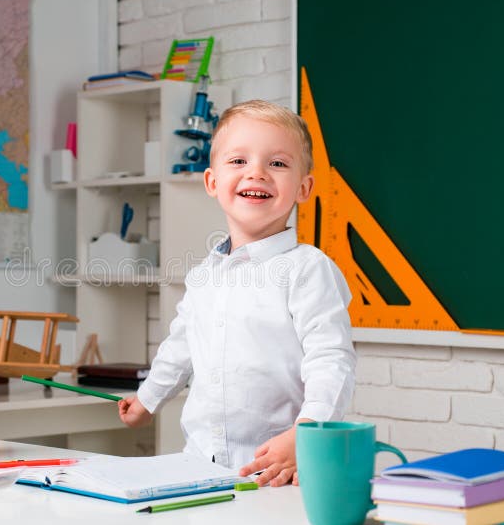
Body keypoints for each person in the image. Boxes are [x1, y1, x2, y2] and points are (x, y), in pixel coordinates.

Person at [118, 100, 356, 487]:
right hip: (200, 463)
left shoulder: (308, 269)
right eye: (239, 161)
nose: (256, 172)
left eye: (277, 163)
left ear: (304, 187)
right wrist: (147, 400)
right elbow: (179, 349)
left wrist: (308, 434)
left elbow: (331, 361)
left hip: (279, 471)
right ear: (212, 182)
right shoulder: (203, 276)